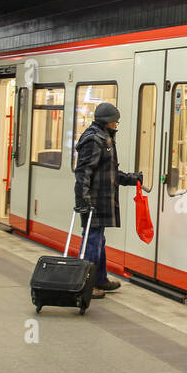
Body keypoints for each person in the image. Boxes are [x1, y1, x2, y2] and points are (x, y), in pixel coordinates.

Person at [73, 102, 142, 298]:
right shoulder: (95, 140)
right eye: (115, 122)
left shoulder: (105, 138)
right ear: (107, 122)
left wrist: (131, 178)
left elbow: (109, 173)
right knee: (92, 242)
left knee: (98, 240)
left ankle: (100, 279)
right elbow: (83, 173)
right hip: (94, 201)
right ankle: (85, 284)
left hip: (101, 200)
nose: (116, 125)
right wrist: (83, 200)